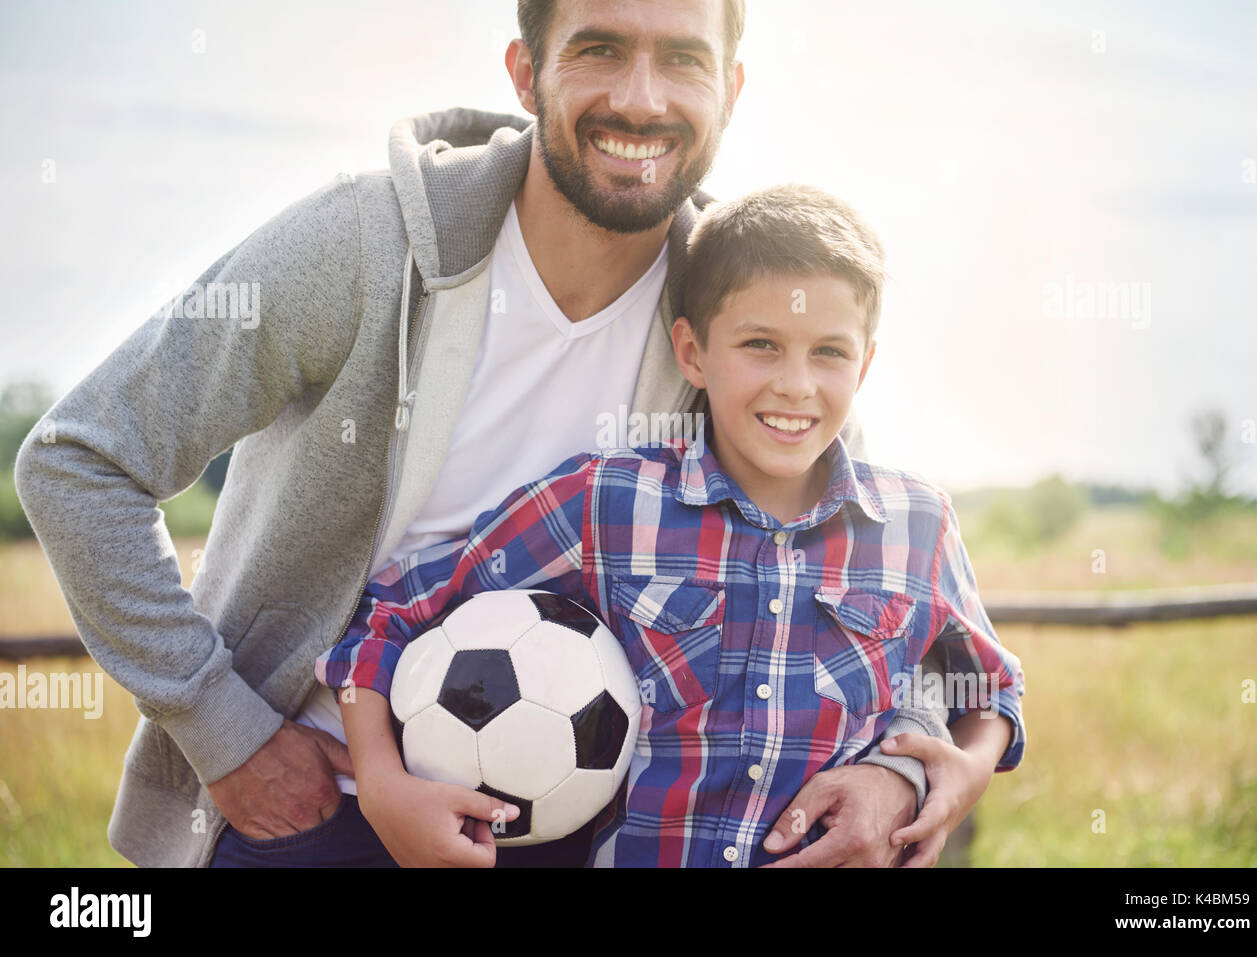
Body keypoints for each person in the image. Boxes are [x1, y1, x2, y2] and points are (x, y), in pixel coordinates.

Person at [14, 0, 967, 868]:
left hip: (586, 825)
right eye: (599, 49)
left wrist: (901, 769)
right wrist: (224, 729)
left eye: (682, 59)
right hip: (303, 810)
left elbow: (872, 584)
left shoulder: (746, 312)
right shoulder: (363, 244)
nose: (641, 100)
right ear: (524, 71)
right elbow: (80, 460)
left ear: (731, 88)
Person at [316, 183, 1028, 868]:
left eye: (830, 352)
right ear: (692, 352)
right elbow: (390, 609)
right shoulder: (610, 504)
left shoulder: (918, 525)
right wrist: (381, 783)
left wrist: (959, 777)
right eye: (761, 344)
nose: (795, 383)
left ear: (865, 365)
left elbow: (990, 688)